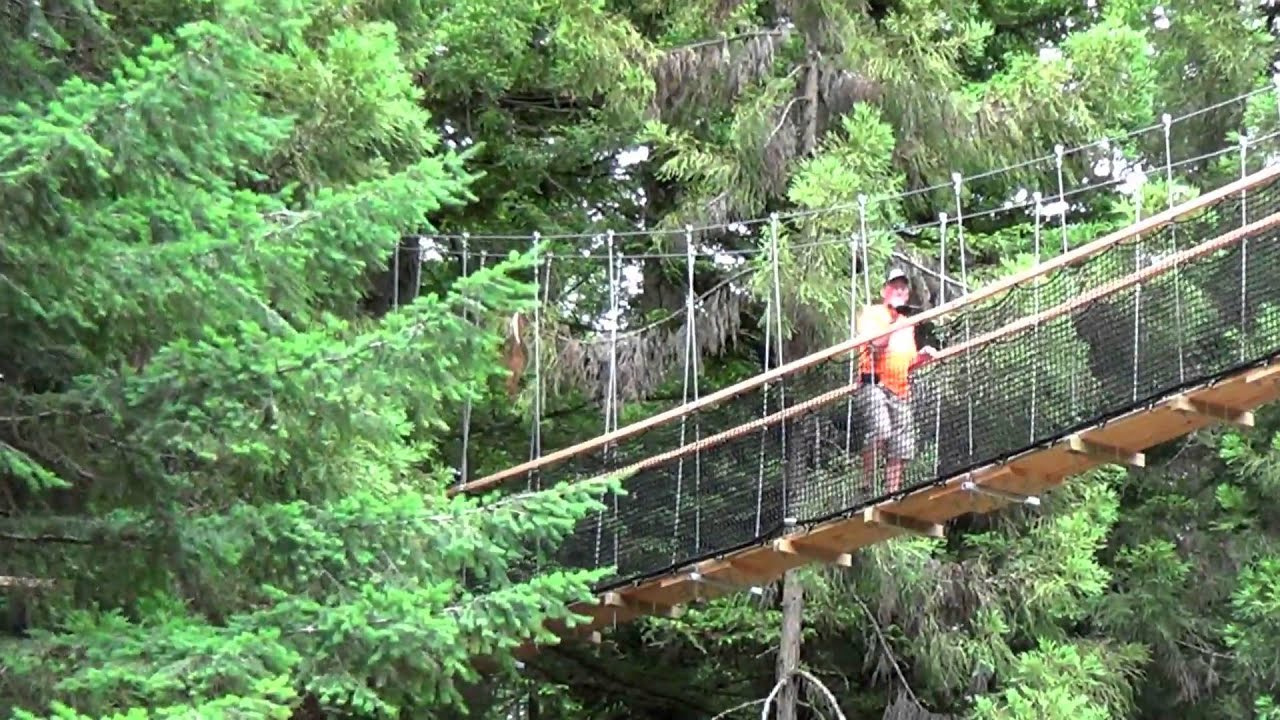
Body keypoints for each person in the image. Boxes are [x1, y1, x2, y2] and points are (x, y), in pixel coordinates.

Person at [855, 268, 937, 494]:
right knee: (881, 430)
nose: (899, 291)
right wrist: (894, 321)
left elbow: (907, 360)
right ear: (884, 291)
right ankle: (866, 482)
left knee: (901, 445)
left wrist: (923, 356)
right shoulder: (873, 314)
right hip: (874, 383)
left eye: (903, 287)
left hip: (900, 388)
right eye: (894, 286)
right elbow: (877, 343)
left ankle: (892, 494)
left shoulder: (908, 324)